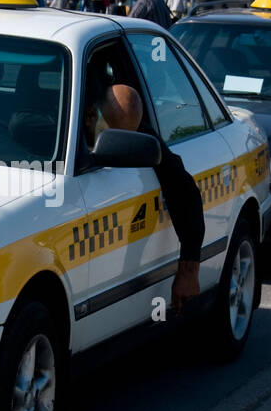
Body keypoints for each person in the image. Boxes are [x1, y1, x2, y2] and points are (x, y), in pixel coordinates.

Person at [83, 82, 203, 313]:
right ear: (89, 116)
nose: (123, 144)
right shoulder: (38, 125)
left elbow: (184, 189)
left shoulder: (125, 125)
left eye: (130, 136)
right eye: (115, 138)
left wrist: (189, 270)